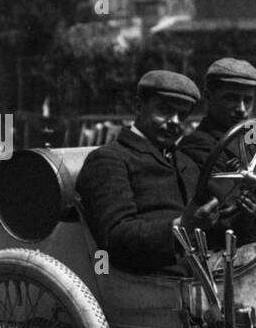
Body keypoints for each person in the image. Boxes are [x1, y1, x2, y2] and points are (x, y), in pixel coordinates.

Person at [76, 69, 220, 274]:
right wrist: (180, 227)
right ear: (139, 106)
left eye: (182, 115)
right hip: (151, 277)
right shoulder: (109, 160)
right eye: (165, 110)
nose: (175, 122)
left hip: (202, 269)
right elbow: (115, 237)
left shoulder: (184, 161)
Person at [177, 57, 256, 262]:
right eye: (232, 99)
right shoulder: (196, 147)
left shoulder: (253, 141)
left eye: (248, 100)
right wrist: (251, 216)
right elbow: (214, 219)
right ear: (209, 97)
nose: (242, 109)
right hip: (232, 256)